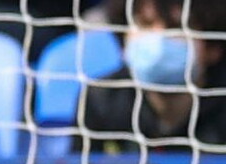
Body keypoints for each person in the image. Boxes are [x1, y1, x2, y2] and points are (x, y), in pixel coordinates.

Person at [80, 0, 226, 153]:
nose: (159, 37)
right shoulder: (100, 98)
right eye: (146, 24)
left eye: (176, 27)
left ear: (213, 48)